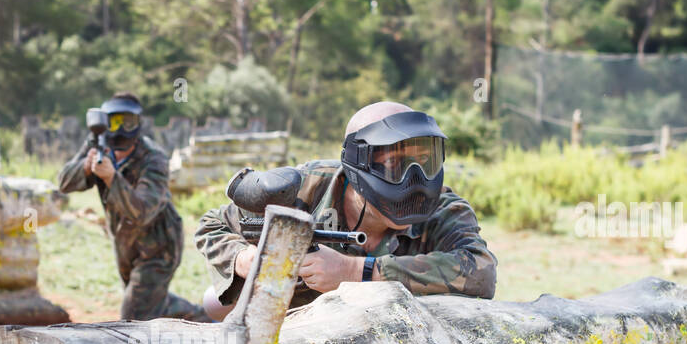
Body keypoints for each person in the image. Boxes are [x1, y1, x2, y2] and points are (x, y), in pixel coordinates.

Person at [196, 101, 497, 318]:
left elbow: (480, 272)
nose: (415, 179)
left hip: (393, 339)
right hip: (291, 326)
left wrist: (355, 272)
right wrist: (245, 259)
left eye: (424, 163)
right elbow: (212, 225)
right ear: (360, 164)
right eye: (395, 164)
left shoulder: (444, 209)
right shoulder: (306, 187)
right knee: (214, 304)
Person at [57, 92, 208, 321]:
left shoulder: (153, 158)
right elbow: (64, 183)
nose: (120, 129)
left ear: (137, 124)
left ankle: (199, 328)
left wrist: (111, 178)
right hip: (125, 244)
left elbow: (142, 211)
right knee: (152, 304)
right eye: (114, 122)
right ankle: (202, 319)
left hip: (159, 246)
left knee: (133, 315)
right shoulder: (97, 145)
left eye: (127, 122)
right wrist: (85, 168)